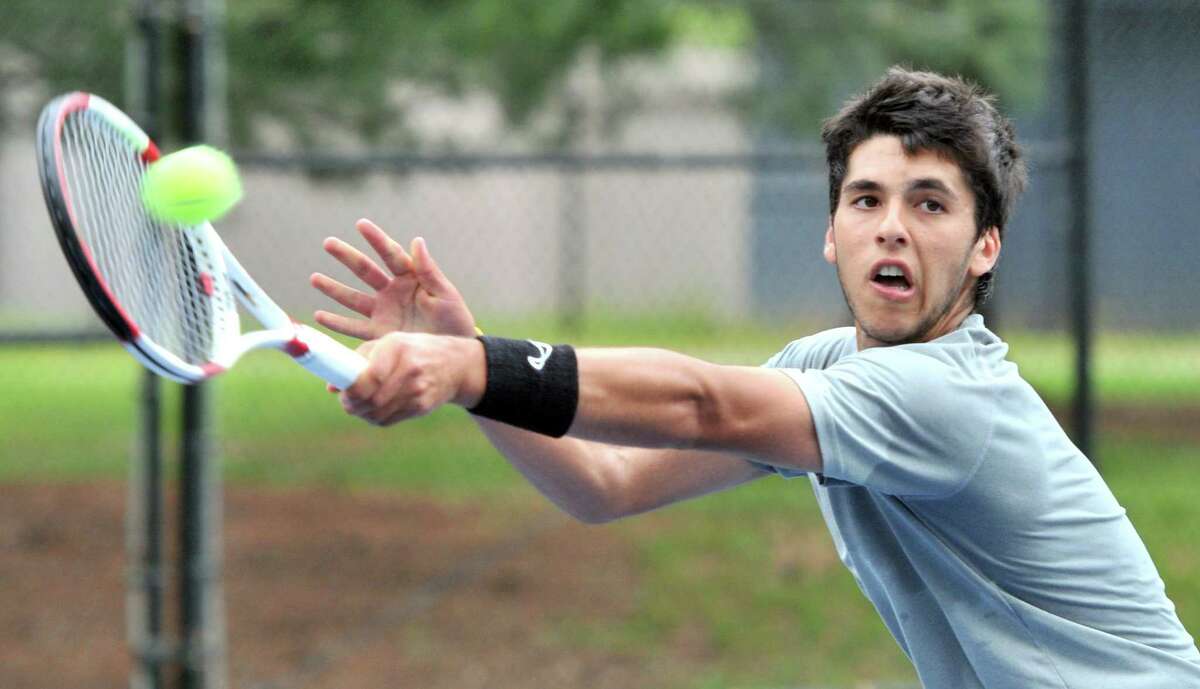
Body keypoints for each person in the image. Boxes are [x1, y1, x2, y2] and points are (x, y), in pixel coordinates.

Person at [310, 67, 1200, 688]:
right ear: (831, 233)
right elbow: (605, 485)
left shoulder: (946, 396)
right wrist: (484, 375)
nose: (892, 227)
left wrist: (474, 364)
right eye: (867, 199)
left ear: (983, 248)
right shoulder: (828, 367)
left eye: (930, 203)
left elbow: (702, 404)